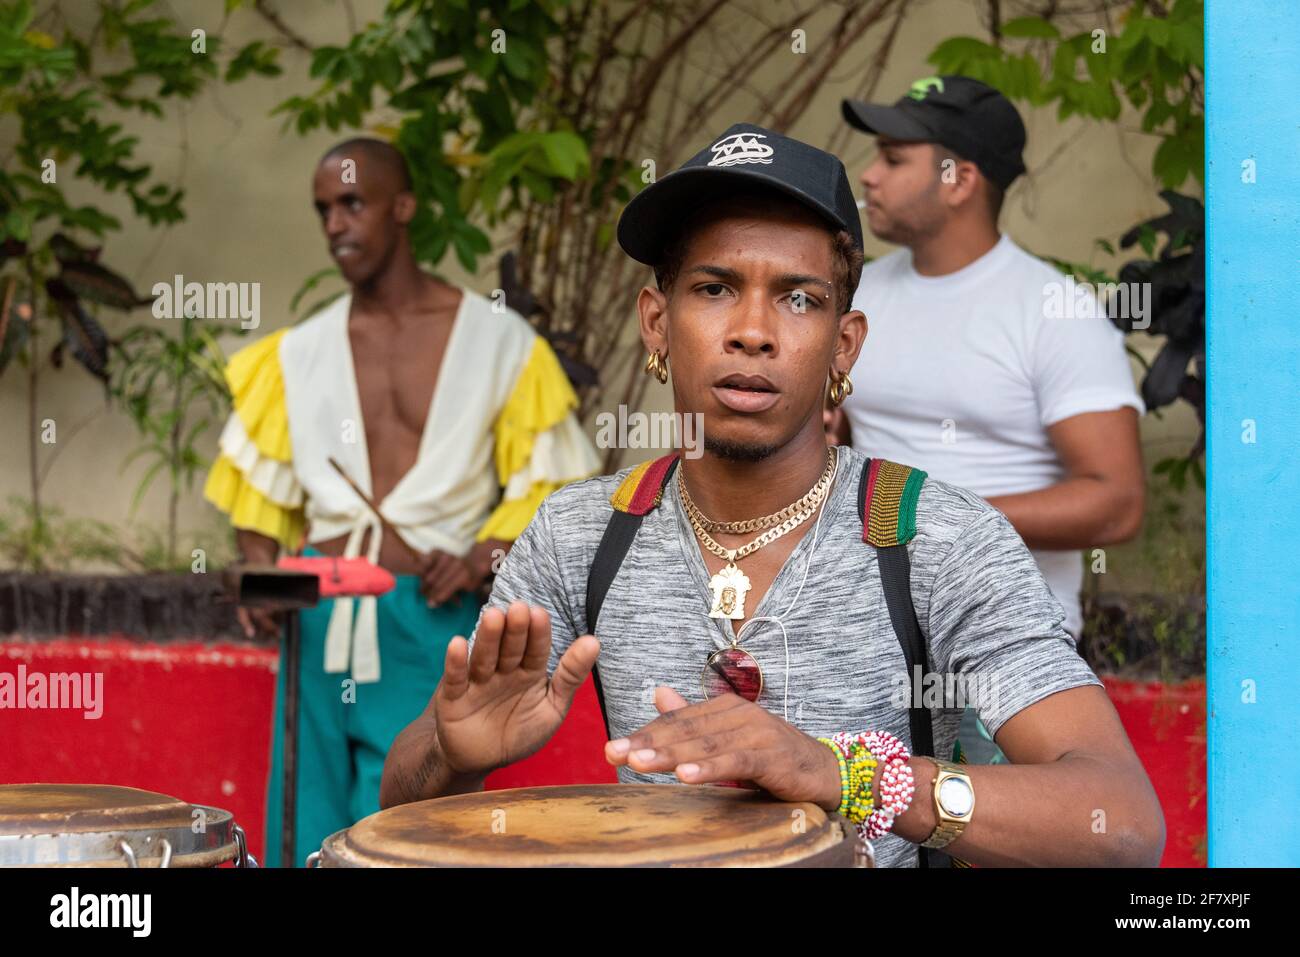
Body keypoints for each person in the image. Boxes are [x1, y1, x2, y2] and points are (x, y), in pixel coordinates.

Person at [380, 124, 1164, 868]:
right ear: (657, 322)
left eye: (798, 298)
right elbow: (400, 803)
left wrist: (844, 771)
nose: (753, 330)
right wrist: (451, 754)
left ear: (842, 345)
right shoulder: (581, 530)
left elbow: (1120, 822)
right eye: (716, 287)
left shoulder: (939, 537)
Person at [203, 138, 600, 866]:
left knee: (421, 827)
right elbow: (257, 497)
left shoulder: (499, 344)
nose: (335, 223)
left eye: (352, 202)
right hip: (318, 620)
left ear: (404, 207)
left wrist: (488, 554)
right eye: (323, 208)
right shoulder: (297, 352)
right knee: (304, 824)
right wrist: (260, 572)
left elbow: (554, 490)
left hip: (434, 620)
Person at [835, 75, 1146, 645]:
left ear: (960, 182)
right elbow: (844, 435)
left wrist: (927, 519)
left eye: (894, 158)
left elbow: (1117, 502)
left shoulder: (1055, 312)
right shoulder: (860, 296)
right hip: (862, 632)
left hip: (1002, 637)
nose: (870, 175)